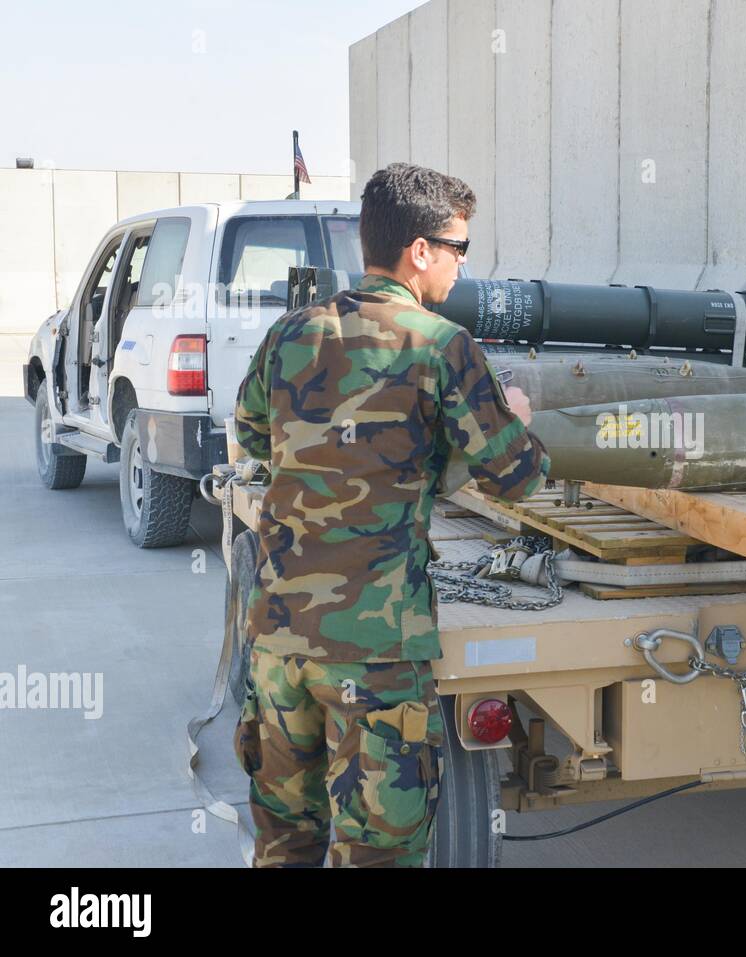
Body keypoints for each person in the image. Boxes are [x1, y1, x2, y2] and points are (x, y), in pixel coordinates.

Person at [231, 162, 549, 866]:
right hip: (376, 654)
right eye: (459, 248)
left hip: (280, 645)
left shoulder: (290, 335)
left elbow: (253, 438)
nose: (464, 265)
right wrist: (517, 419)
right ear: (420, 251)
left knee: (285, 843)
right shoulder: (442, 347)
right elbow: (516, 477)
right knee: (377, 854)